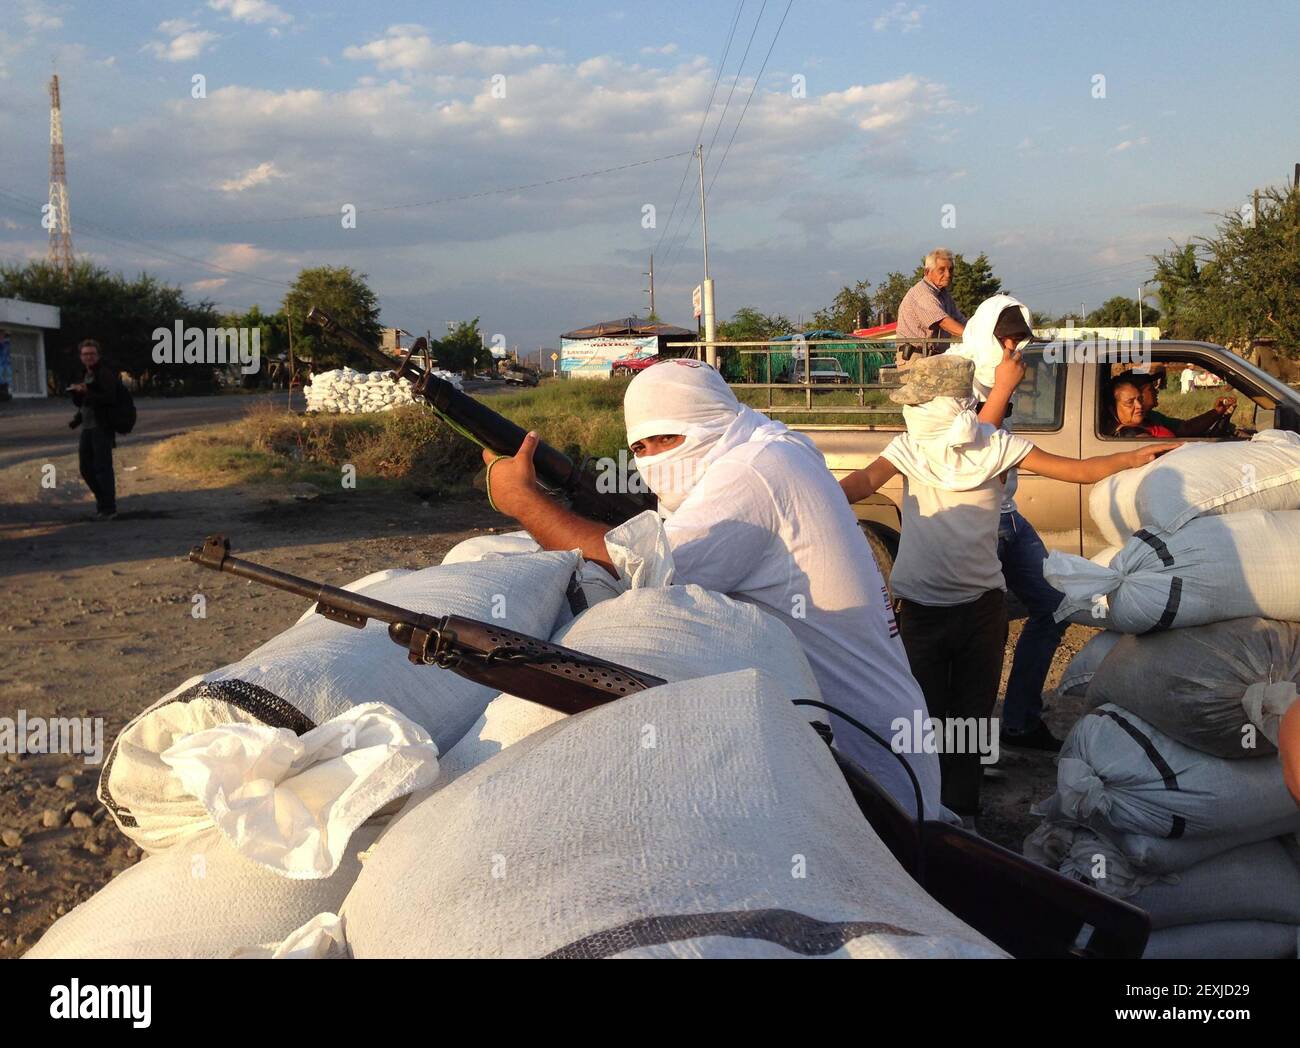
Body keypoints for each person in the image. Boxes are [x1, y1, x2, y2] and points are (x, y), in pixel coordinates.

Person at [481, 358, 944, 819]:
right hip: (859, 735)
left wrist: (525, 502)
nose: (655, 458)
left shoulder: (754, 471)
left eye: (669, 437)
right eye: (640, 447)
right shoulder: (774, 445)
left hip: (872, 763)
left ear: (714, 418)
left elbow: (641, 573)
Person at [839, 353, 1175, 817]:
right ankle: (930, 806)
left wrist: (1134, 457)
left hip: (971, 611)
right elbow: (857, 485)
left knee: (967, 716)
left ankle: (959, 812)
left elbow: (1078, 470)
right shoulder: (912, 448)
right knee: (930, 716)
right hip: (935, 610)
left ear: (937, 406)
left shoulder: (991, 445)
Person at [949, 296, 1070, 751]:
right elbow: (971, 451)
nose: (1014, 346)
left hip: (1008, 516)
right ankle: (968, 747)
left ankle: (1018, 720)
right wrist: (1000, 388)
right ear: (985, 333)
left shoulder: (1002, 373)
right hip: (973, 520)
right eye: (1007, 337)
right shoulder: (954, 375)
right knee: (983, 630)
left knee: (1054, 606)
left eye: (1019, 338)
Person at [68, 338, 119, 521]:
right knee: (86, 468)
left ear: (98, 355)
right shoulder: (84, 374)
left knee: (103, 468)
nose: (88, 357)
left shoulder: (104, 374)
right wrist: (77, 393)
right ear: (81, 357)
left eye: (91, 354)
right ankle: (102, 502)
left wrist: (86, 391)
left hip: (102, 426)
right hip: (87, 427)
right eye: (85, 354)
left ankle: (109, 508)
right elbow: (82, 404)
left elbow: (109, 398)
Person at [1113, 369, 1238, 437]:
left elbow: (1184, 428)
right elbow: (1185, 429)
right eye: (1151, 388)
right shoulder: (1130, 432)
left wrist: (1217, 412)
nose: (1156, 391)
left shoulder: (1151, 417)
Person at [896, 248, 967, 363]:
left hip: (934, 358)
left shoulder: (944, 295)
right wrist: (975, 335)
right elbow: (943, 322)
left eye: (950, 269)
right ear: (927, 272)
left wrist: (984, 330)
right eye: (941, 270)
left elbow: (961, 320)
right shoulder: (923, 293)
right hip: (915, 358)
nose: (948, 274)